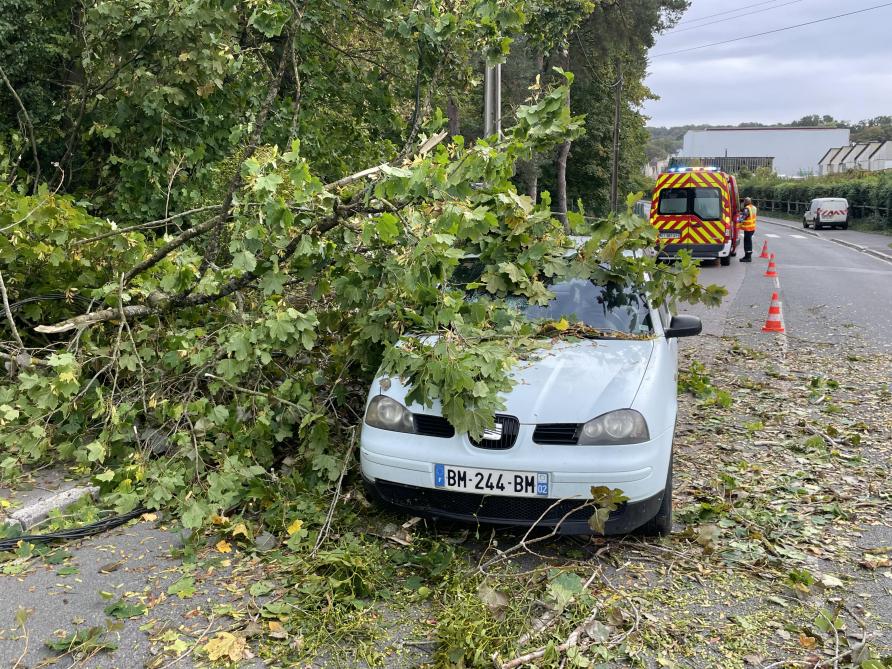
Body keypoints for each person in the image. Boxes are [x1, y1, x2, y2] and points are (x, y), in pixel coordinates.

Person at [739, 197, 757, 262]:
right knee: (749, 242)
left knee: (747, 243)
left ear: (746, 202)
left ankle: (748, 257)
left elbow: (743, 217)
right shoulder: (754, 207)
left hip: (748, 228)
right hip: (752, 228)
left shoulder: (747, 209)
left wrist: (737, 221)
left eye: (744, 202)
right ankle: (747, 256)